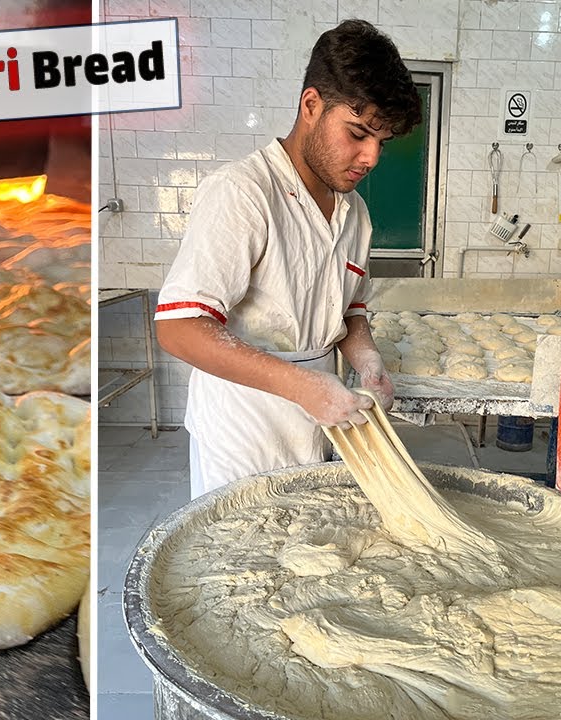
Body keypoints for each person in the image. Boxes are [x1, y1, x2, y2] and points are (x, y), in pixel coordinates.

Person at [155, 19, 423, 499]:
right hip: (244, 426)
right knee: (245, 563)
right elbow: (179, 327)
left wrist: (367, 361)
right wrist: (305, 387)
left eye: (381, 143)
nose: (371, 158)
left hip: (318, 418)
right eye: (358, 133)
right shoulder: (243, 194)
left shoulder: (354, 213)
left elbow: (348, 308)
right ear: (311, 105)